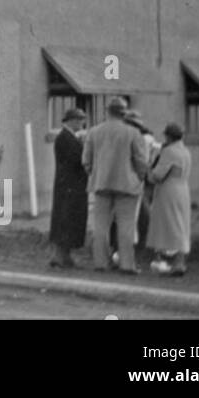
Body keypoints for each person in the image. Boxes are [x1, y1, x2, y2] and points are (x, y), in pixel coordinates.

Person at [82, 97, 148, 274]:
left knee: (100, 226)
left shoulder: (94, 132)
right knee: (126, 226)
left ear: (107, 111)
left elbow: (86, 161)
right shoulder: (133, 133)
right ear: (123, 113)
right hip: (127, 185)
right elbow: (141, 161)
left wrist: (94, 173)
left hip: (100, 184)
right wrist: (139, 177)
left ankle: (101, 263)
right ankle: (127, 264)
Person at [110, 109, 159, 261]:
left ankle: (135, 250)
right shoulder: (129, 138)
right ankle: (122, 250)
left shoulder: (144, 139)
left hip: (138, 182)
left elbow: (142, 161)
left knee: (139, 217)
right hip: (129, 181)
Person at [147, 123, 192, 276]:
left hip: (168, 190)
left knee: (169, 225)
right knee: (180, 224)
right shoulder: (185, 151)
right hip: (183, 189)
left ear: (169, 136)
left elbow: (157, 175)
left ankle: (172, 262)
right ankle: (179, 260)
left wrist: (150, 168)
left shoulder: (169, 152)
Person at [48, 108, 88, 268]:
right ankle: (59, 256)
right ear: (71, 120)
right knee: (65, 220)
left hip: (71, 185)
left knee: (70, 220)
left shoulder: (69, 137)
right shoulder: (65, 138)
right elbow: (76, 159)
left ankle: (65, 255)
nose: (82, 122)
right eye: (79, 119)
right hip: (69, 186)